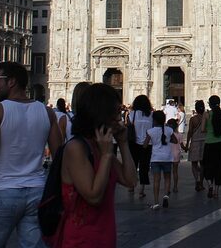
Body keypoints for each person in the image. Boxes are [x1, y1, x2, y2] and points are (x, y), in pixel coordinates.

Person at [0, 61, 62, 248]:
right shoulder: (47, 112)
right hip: (37, 192)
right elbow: (60, 156)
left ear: (11, 82)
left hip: (4, 192)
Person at [57, 82, 136, 245]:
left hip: (104, 237)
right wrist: (107, 154)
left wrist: (123, 143)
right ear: (100, 114)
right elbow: (94, 196)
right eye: (115, 113)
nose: (119, 119)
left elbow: (130, 181)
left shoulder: (98, 147)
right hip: (81, 240)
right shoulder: (76, 148)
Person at [145, 110, 178, 210]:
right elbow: (175, 140)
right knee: (167, 177)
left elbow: (145, 145)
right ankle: (166, 196)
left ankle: (156, 202)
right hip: (167, 157)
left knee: (156, 180)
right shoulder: (169, 130)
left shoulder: (151, 131)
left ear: (154, 120)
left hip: (155, 158)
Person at [201, 95, 221, 198]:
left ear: (210, 104)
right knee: (219, 166)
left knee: (207, 165)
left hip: (209, 143)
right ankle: (216, 191)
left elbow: (203, 129)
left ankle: (210, 185)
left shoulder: (207, 114)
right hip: (220, 143)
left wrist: (210, 131)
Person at [127, 95, 153, 197]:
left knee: (133, 164)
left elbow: (128, 127)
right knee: (144, 166)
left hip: (134, 143)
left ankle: (131, 186)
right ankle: (141, 189)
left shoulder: (132, 114)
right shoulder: (151, 115)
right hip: (147, 144)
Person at [184, 100, 206, 192]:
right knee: (203, 164)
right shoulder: (206, 118)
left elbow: (190, 132)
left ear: (196, 109)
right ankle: (201, 181)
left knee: (194, 163)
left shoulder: (193, 119)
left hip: (195, 142)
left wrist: (187, 143)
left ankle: (196, 180)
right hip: (204, 142)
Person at [168, 118, 181, 193]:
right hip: (177, 154)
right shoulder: (179, 134)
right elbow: (181, 145)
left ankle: (168, 187)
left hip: (169, 154)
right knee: (175, 172)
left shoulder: (168, 135)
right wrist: (186, 148)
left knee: (168, 172)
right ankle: (175, 187)